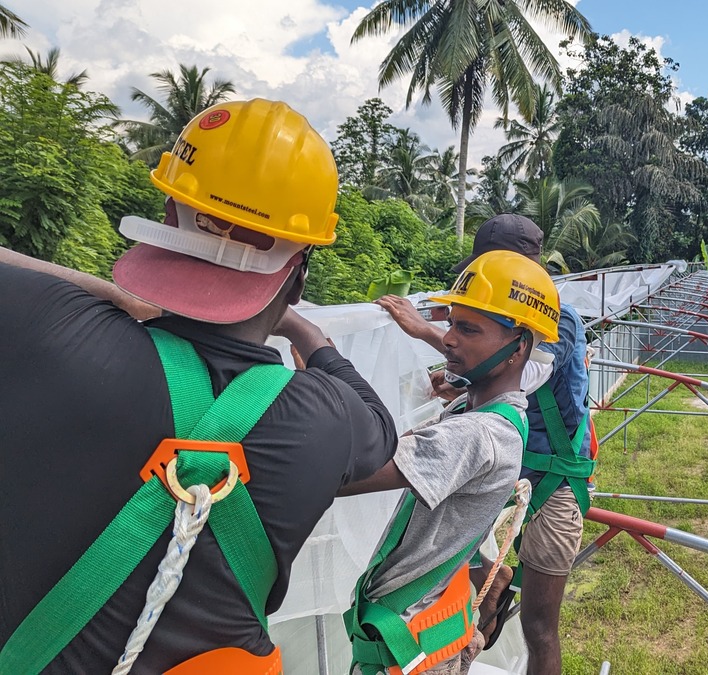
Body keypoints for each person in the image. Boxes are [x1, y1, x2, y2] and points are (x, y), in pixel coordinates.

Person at [0, 99, 398, 674]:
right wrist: (300, 324)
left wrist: (91, 289)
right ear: (300, 267)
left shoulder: (51, 331)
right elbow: (379, 428)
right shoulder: (325, 416)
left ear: (168, 213)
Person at [377, 214, 594, 675]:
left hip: (552, 480)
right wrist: (458, 382)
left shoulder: (556, 319)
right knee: (456, 552)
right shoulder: (484, 433)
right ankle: (493, 587)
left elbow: (528, 373)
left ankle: (496, 591)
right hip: (503, 467)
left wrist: (421, 330)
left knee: (539, 627)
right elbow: (496, 374)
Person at [340, 250, 562, 675]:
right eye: (450, 323)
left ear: (518, 347)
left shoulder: (479, 433)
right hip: (431, 628)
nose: (446, 338)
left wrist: (325, 371)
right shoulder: (475, 411)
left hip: (412, 645)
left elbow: (350, 472)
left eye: (467, 328)